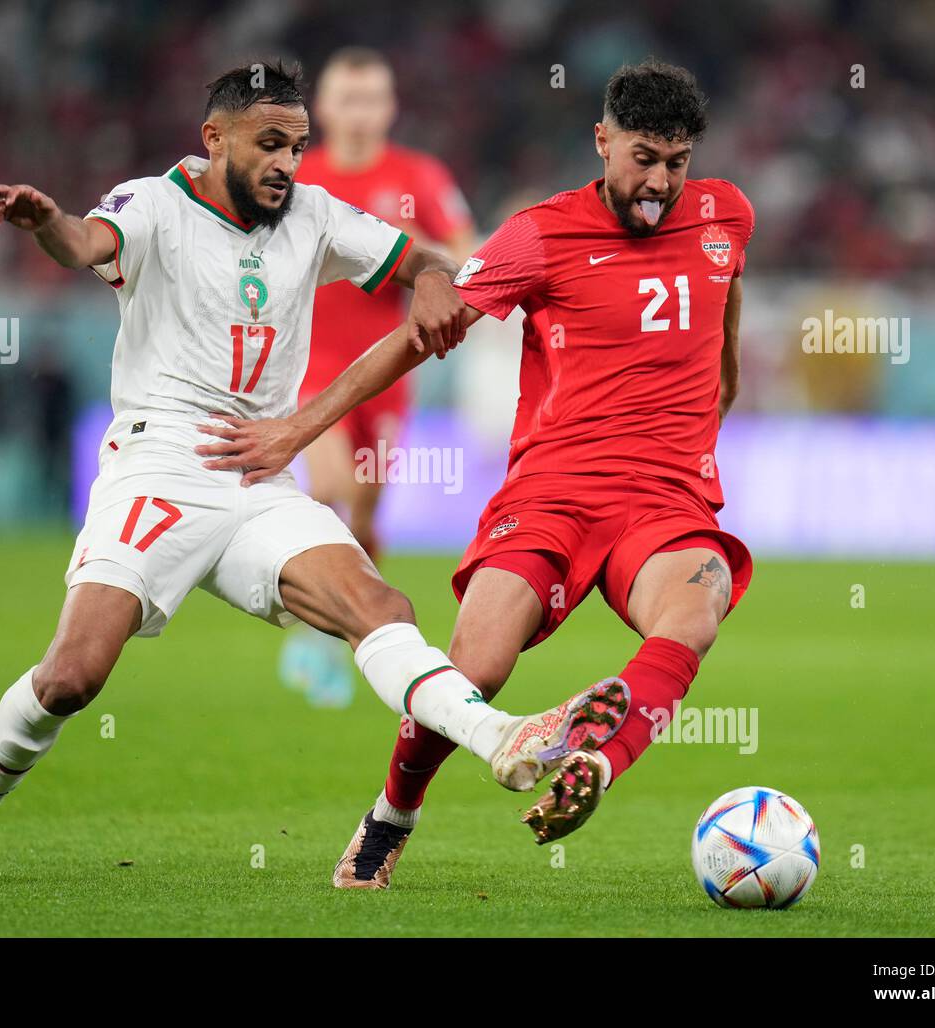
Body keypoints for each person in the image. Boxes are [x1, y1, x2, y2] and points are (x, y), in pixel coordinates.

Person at [0, 61, 629, 885]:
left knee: (379, 603)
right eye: (270, 144)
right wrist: (47, 223)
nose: (288, 163)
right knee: (70, 678)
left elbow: (417, 255)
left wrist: (428, 281)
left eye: (298, 146)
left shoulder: (313, 214)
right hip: (159, 467)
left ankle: (502, 737)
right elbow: (84, 242)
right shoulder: (155, 204)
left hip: (258, 476)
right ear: (216, 140)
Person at [194, 59, 754, 889]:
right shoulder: (539, 236)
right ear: (601, 142)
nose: (660, 183)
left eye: (676, 163)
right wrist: (297, 428)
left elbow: (724, 343)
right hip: (552, 491)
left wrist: (697, 433)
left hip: (662, 499)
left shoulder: (726, 216)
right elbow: (426, 327)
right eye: (642, 158)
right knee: (477, 668)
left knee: (696, 609)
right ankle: (390, 818)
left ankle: (595, 763)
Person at [279, 47, 475, 707]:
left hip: (391, 365)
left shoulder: (418, 175)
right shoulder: (299, 178)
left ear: (389, 108)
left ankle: (339, 633)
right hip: (312, 363)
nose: (360, 114)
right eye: (347, 100)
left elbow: (468, 254)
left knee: (365, 509)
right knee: (329, 484)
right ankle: (313, 631)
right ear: (323, 109)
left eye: (372, 100)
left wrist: (419, 247)